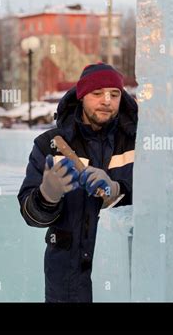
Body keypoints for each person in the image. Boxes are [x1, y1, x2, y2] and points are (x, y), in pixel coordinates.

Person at [17, 62, 138, 302]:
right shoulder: (49, 145)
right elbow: (30, 216)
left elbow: (159, 201)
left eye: (114, 94)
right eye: (97, 93)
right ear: (82, 96)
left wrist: (118, 190)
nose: (106, 100)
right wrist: (46, 196)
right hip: (65, 279)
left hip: (121, 277)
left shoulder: (138, 143)